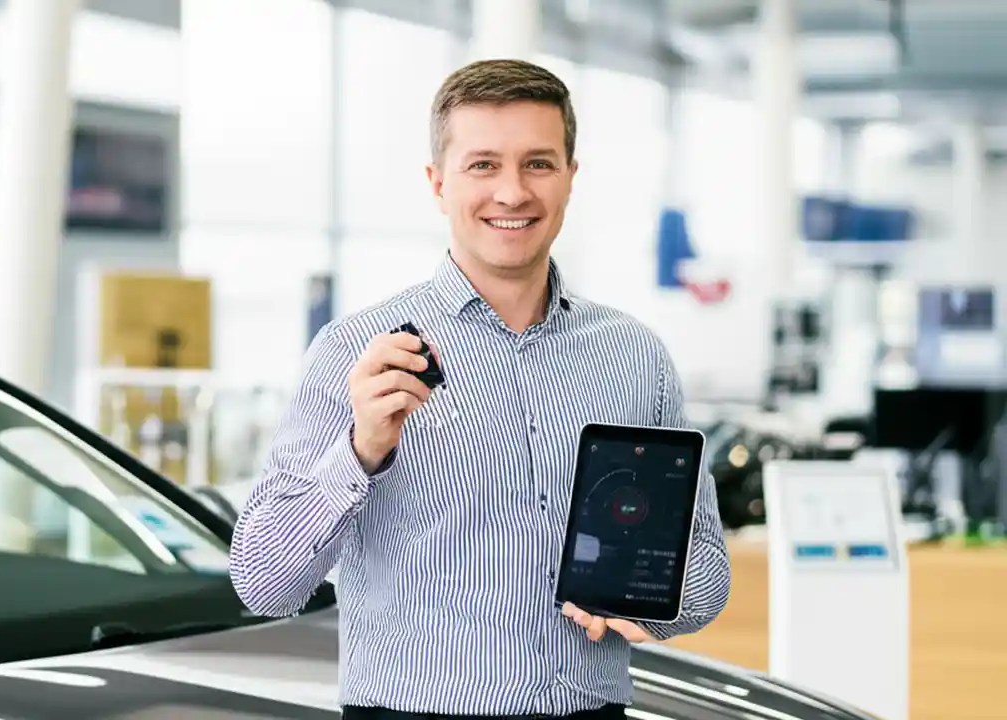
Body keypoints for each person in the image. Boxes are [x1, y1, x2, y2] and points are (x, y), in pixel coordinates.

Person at [228, 58, 731, 719]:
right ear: (439, 183)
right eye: (483, 165)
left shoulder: (636, 357)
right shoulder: (358, 352)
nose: (513, 192)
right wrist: (360, 451)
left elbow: (707, 571)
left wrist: (650, 597)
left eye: (538, 164)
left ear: (570, 179)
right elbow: (264, 584)